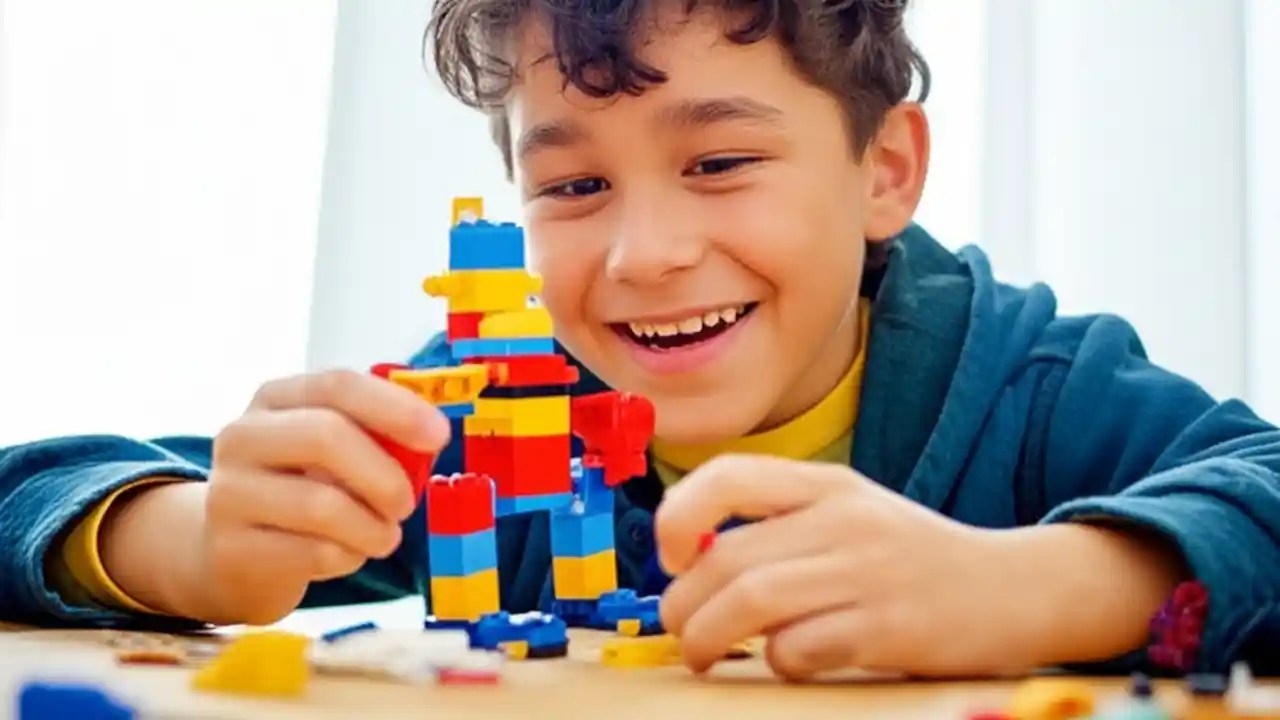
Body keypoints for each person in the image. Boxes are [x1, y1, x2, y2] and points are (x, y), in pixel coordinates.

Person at [2, 0, 1278, 681]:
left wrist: (1016, 589)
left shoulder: (1036, 388)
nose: (641, 255)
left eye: (719, 161)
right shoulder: (487, 407)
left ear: (883, 169)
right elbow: (25, 501)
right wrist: (191, 545)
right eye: (571, 188)